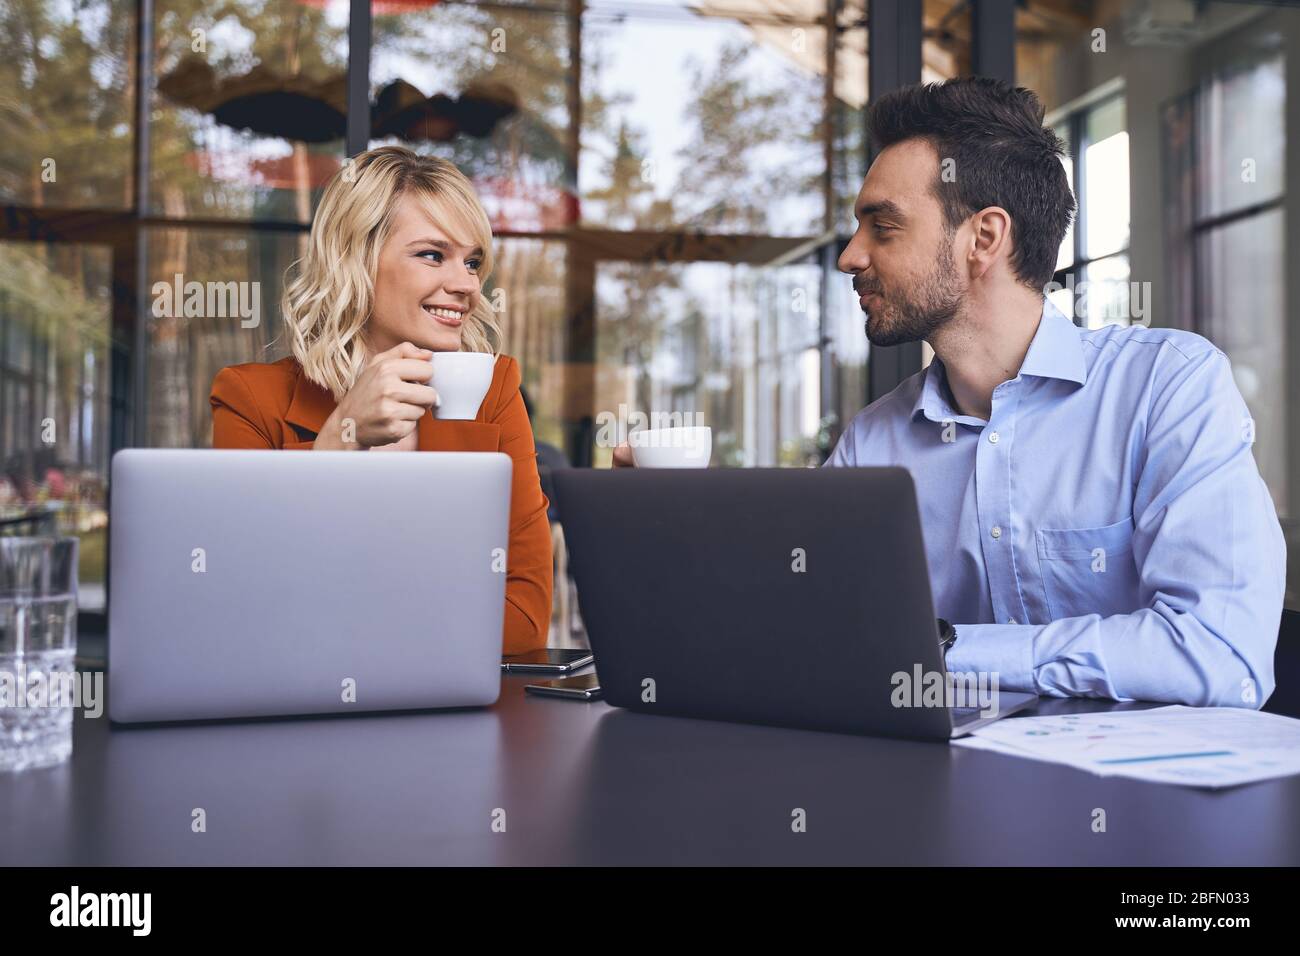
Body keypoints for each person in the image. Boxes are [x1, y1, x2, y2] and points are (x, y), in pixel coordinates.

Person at [616, 77, 1286, 708]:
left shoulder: (1166, 388)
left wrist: (942, 650)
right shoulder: (874, 443)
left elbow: (1222, 655)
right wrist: (684, 533)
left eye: (883, 226)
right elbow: (796, 637)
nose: (850, 256)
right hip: (938, 808)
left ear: (983, 239)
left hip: (1148, 818)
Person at [209, 146, 552, 655]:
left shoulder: (493, 391)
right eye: (432, 254)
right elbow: (240, 607)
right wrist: (340, 435)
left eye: (473, 261)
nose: (466, 286)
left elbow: (526, 614)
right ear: (356, 260)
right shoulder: (250, 399)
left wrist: (351, 630)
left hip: (453, 712)